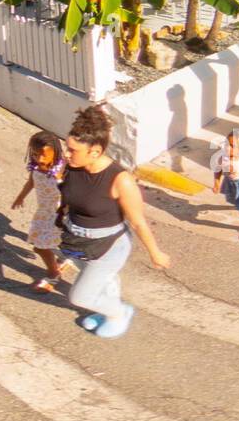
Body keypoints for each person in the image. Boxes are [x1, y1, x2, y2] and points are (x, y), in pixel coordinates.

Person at [59, 106, 168, 339]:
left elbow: (138, 222)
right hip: (77, 241)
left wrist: (155, 253)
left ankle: (118, 313)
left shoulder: (120, 180)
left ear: (95, 151)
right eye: (67, 147)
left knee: (80, 297)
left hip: (108, 247)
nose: (66, 154)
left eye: (73, 150)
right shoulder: (73, 168)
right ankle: (106, 310)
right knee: (102, 282)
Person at [7, 130, 71, 294]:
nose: (39, 159)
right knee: (46, 242)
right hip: (43, 212)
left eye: (43, 155)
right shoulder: (36, 166)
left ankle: (53, 273)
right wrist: (20, 197)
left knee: (39, 247)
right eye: (35, 154)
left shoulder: (63, 168)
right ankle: (64, 258)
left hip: (59, 214)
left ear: (56, 153)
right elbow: (31, 182)